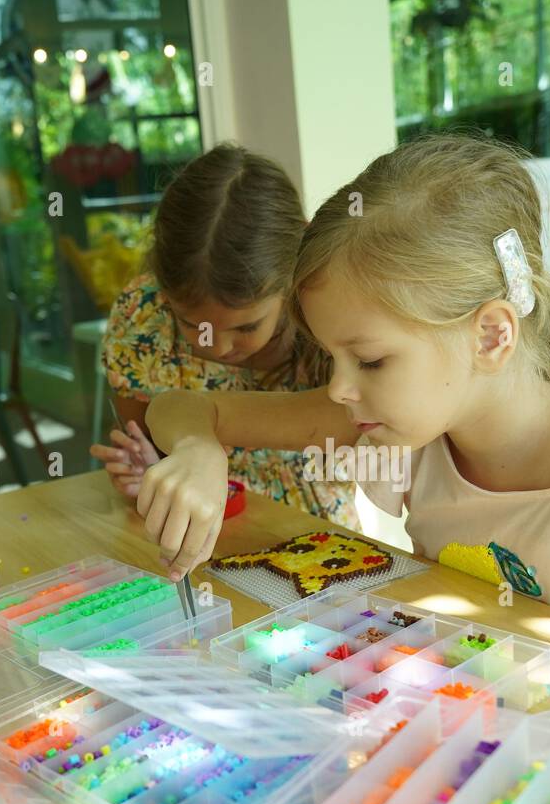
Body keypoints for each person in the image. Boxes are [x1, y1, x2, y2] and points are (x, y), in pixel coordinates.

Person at [136, 133, 550, 638]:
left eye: (368, 361)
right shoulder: (405, 420)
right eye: (330, 357)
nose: (339, 389)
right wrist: (197, 451)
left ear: (491, 337)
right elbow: (182, 406)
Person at [88, 143, 358, 529]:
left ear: (293, 273)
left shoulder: (331, 318)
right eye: (189, 323)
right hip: (190, 537)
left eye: (246, 327)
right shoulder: (142, 317)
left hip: (318, 538)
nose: (214, 346)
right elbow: (140, 437)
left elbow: (358, 430)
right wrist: (146, 469)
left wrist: (203, 437)